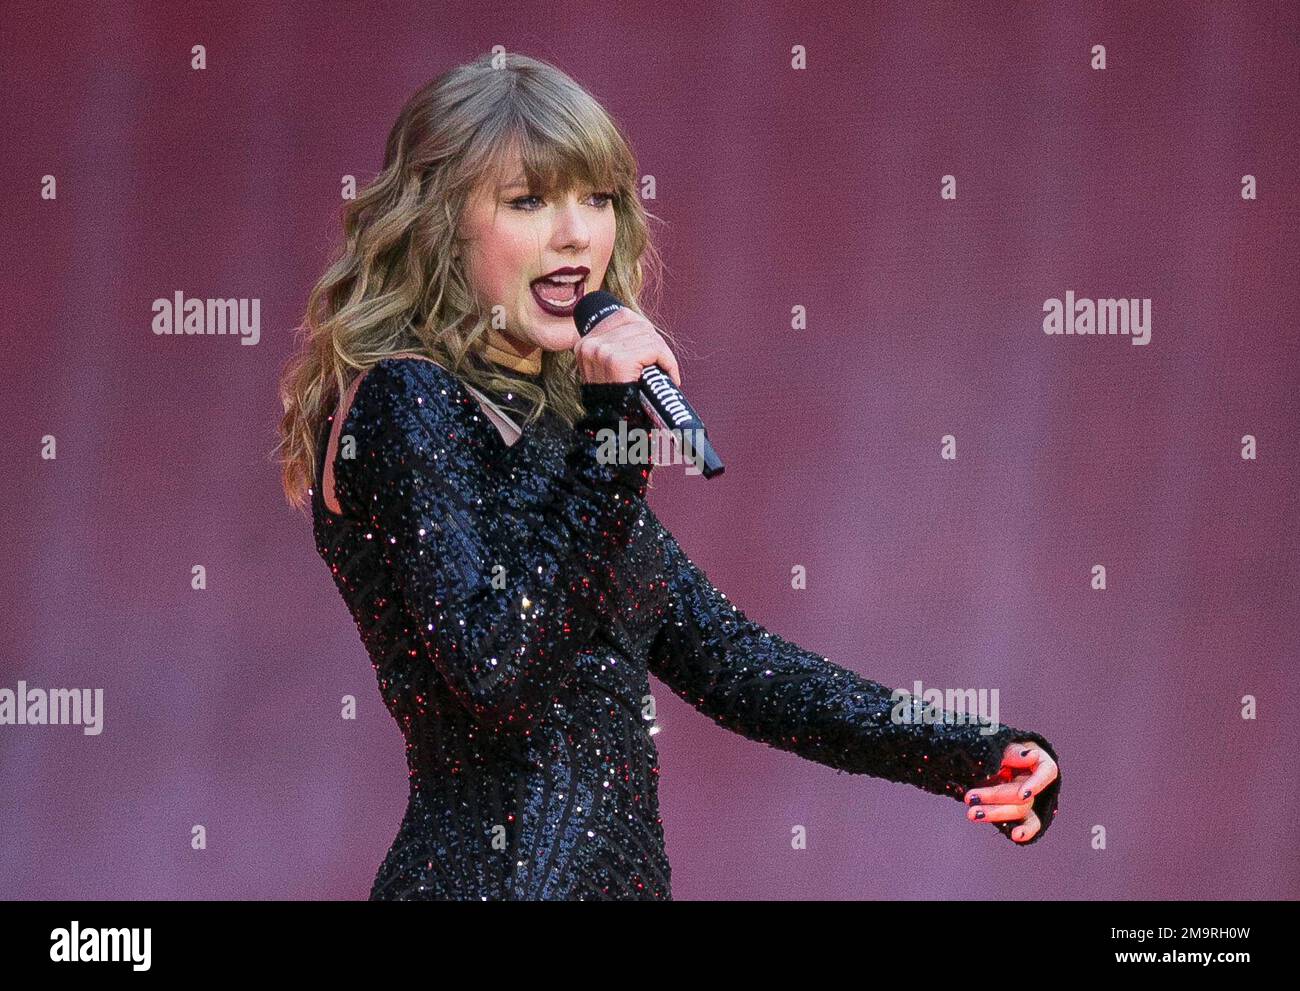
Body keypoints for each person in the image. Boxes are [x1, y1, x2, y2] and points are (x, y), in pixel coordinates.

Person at [275, 52, 1060, 901]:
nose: (577, 232)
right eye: (529, 200)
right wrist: (613, 434)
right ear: (441, 222)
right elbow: (497, 671)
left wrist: (971, 751)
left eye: (598, 198)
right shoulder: (407, 400)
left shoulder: (555, 438)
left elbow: (735, 665)